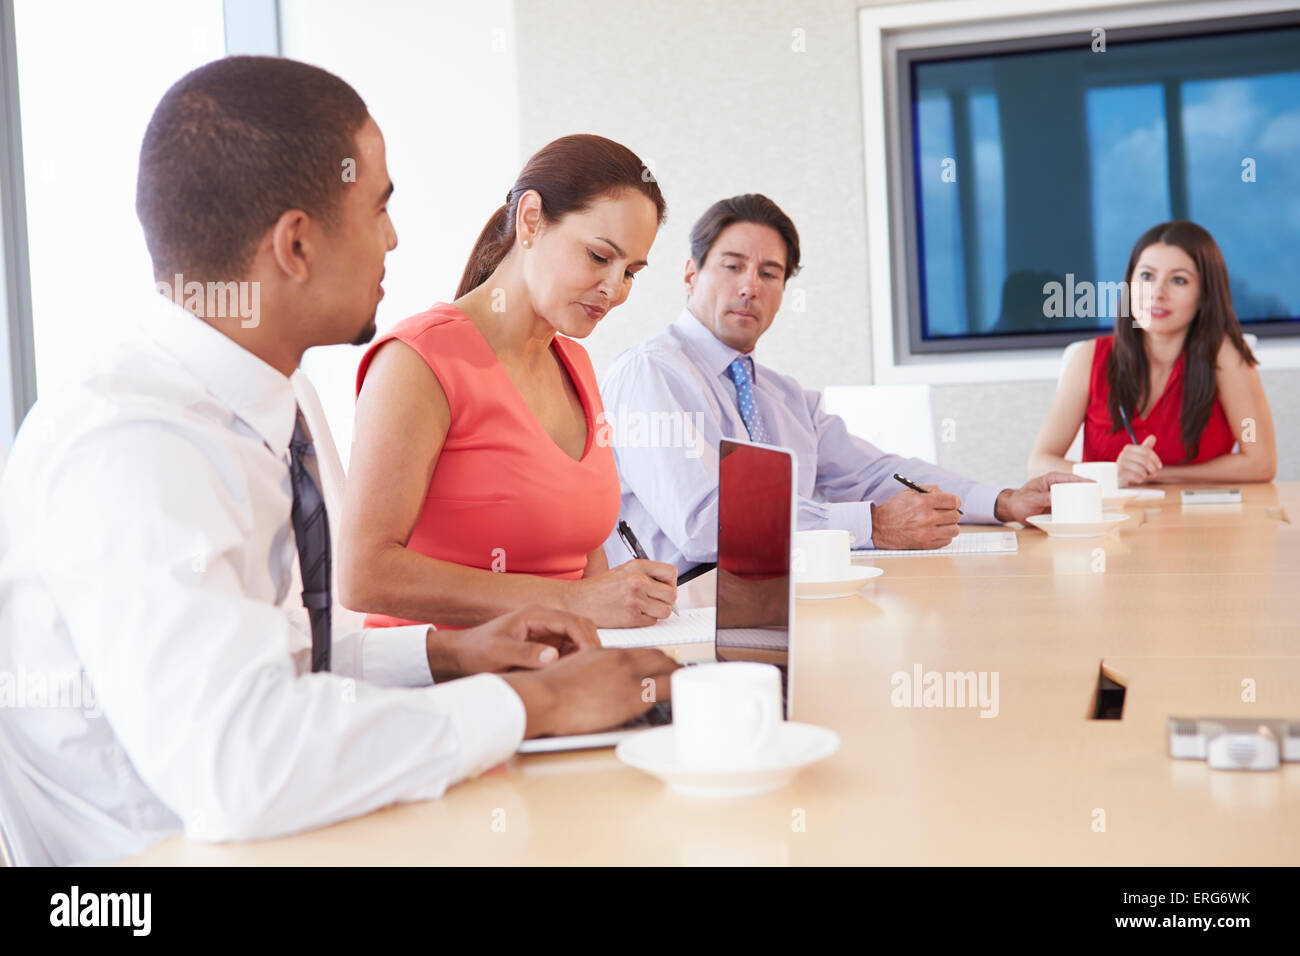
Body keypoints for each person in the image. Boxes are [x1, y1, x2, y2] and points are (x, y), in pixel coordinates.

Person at [0, 56, 675, 867]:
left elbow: (289, 653)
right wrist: (526, 704)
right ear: (295, 243)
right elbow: (241, 768)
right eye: (379, 208)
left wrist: (447, 652)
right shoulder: (130, 444)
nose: (395, 238)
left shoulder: (279, 403)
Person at [601, 193, 1080, 572]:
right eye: (732, 266)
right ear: (691, 274)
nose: (750, 286)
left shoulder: (783, 396)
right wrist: (871, 524)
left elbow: (875, 473)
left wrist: (1003, 500)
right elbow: (704, 523)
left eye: (770, 273)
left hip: (784, 595)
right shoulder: (652, 373)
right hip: (687, 610)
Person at [339, 135, 679, 630]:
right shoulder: (419, 361)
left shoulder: (577, 365)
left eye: (631, 272)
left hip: (557, 672)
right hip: (447, 684)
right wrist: (575, 603)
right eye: (599, 256)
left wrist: (622, 607)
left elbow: (584, 565)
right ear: (531, 220)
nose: (615, 289)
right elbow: (363, 576)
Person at [1028, 221, 1276, 487]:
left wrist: (1156, 474)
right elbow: (1040, 463)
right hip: (1111, 523)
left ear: (1204, 294)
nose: (1157, 293)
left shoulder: (1226, 358)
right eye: (1147, 276)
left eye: (1179, 280)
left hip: (1198, 524)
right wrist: (1112, 474)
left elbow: (1260, 462)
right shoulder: (1089, 358)